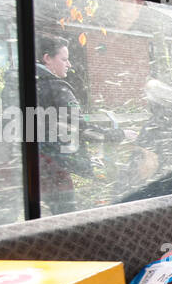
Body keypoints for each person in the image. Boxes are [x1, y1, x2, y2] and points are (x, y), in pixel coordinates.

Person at [35, 35, 123, 214]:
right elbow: (80, 127)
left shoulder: (19, 84)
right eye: (65, 59)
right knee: (65, 216)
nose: (69, 65)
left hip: (33, 163)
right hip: (54, 164)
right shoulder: (55, 88)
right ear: (47, 58)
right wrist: (116, 134)